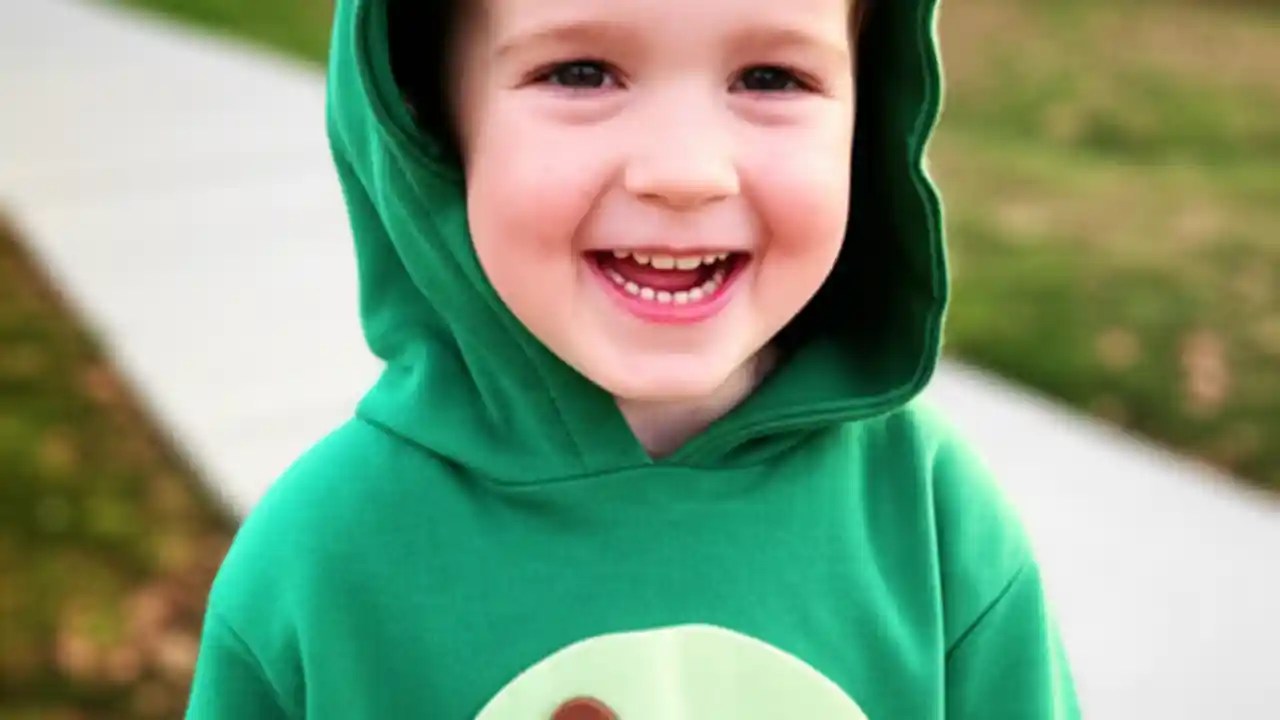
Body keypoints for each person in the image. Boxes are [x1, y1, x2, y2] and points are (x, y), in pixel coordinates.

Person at [187, 0, 1080, 716]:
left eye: (770, 76)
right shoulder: (326, 557)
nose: (686, 171)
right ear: (432, 122)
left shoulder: (931, 524)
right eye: (580, 72)